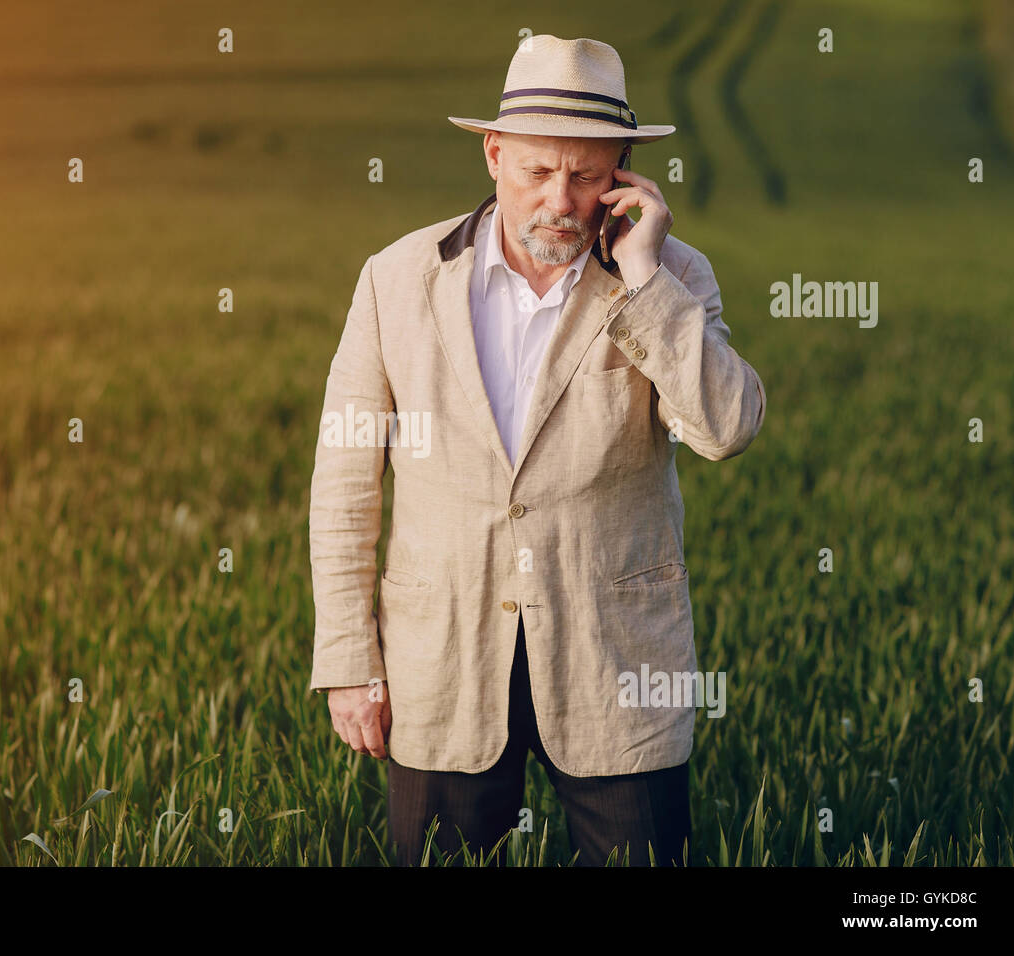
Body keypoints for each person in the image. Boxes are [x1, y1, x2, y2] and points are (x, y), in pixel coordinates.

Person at [308, 35, 766, 866]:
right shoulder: (395, 279)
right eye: (536, 171)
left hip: (618, 664)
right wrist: (348, 660)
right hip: (440, 663)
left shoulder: (670, 276)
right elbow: (344, 483)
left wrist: (645, 280)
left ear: (623, 172)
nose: (560, 199)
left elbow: (727, 429)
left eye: (587, 175)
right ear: (493, 153)